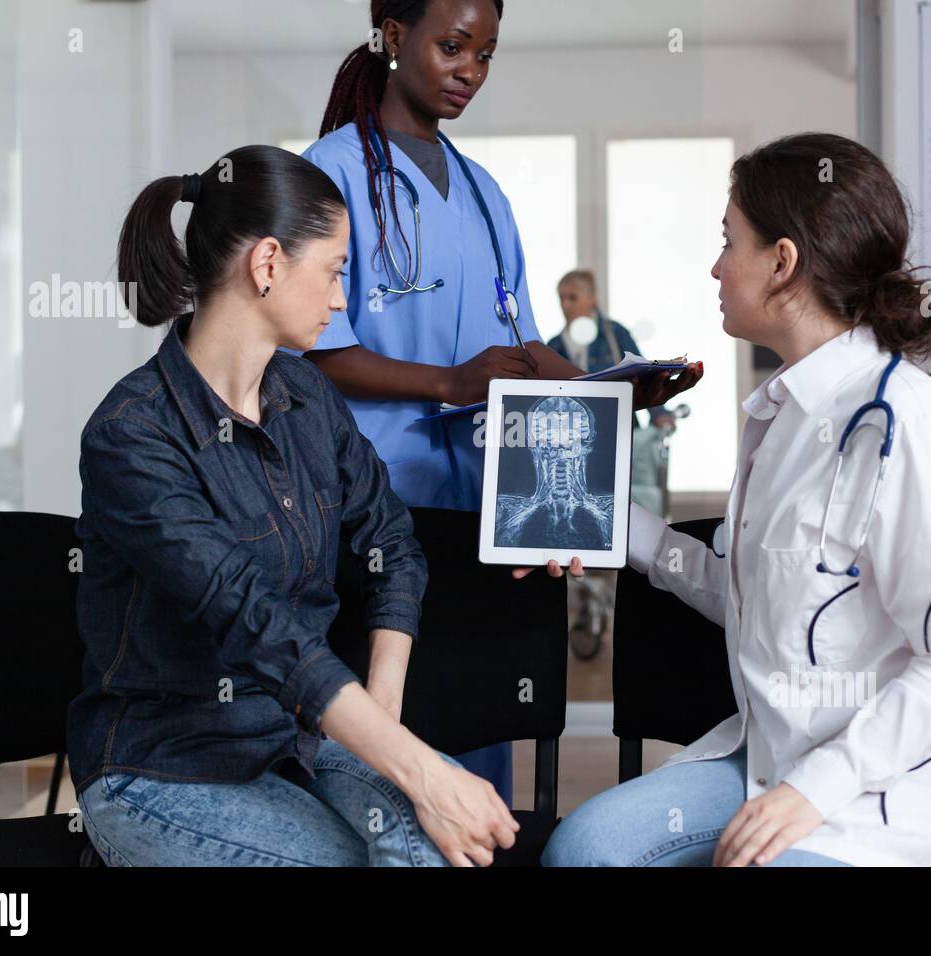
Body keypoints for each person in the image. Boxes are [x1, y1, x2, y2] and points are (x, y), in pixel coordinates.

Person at [536, 132, 931, 867]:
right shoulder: (781, 415)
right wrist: (608, 524)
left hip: (894, 801)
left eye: (728, 241)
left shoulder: (908, 425)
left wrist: (815, 791)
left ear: (782, 263)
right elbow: (746, 596)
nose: (715, 265)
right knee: (583, 851)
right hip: (772, 759)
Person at [291, 0, 701, 802]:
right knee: (380, 755)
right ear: (394, 34)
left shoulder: (485, 194)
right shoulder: (329, 173)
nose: (469, 71)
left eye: (485, 54)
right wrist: (445, 382)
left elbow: (524, 355)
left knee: (480, 726)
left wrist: (607, 389)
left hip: (487, 510)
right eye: (452, 46)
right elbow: (301, 348)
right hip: (376, 506)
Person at [69, 145, 518, 867]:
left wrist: (384, 720)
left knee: (439, 844)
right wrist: (415, 767)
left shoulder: (308, 397)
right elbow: (251, 619)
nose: (343, 300)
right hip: (162, 765)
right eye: (336, 271)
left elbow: (391, 543)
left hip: (296, 740)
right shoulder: (132, 435)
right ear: (269, 264)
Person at [549, 268, 674, 430]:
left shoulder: (615, 333)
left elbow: (645, 375)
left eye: (573, 298)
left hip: (618, 427)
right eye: (561, 298)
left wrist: (660, 415)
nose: (565, 305)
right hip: (575, 433)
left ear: (592, 298)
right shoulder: (553, 345)